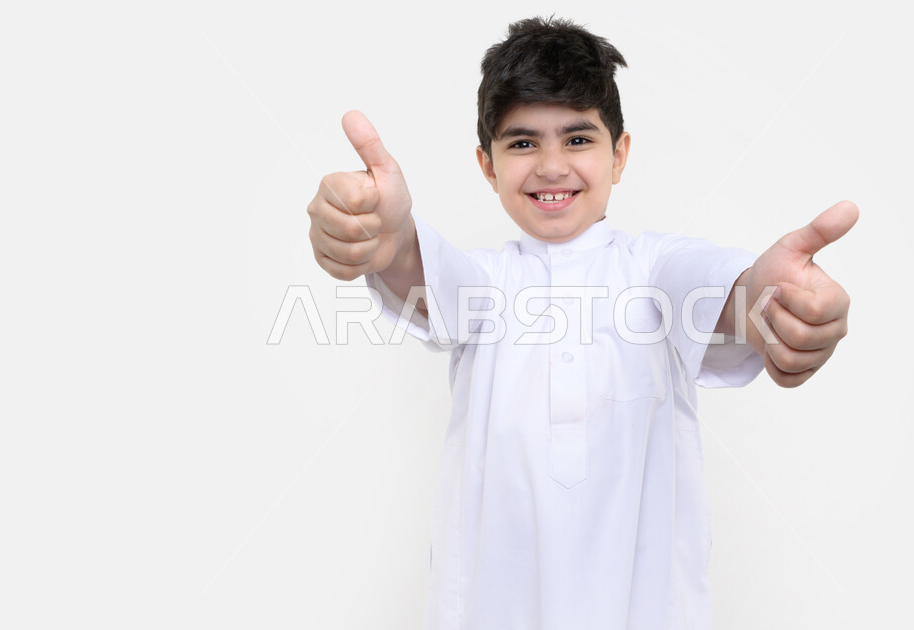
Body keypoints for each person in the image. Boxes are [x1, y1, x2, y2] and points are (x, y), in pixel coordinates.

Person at [306, 15, 856, 630]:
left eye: (577, 139)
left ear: (619, 155)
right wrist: (386, 242)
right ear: (487, 166)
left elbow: (716, 290)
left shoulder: (653, 270)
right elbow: (426, 274)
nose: (550, 167)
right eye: (522, 143)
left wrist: (768, 303)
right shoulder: (488, 283)